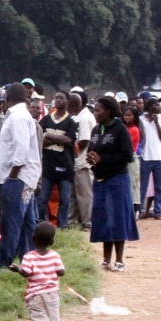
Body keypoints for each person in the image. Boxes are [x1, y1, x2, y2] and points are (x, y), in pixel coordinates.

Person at [0, 83, 42, 268]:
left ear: (8, 97)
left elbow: (21, 151)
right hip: (25, 176)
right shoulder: (21, 115)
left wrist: (12, 176)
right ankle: (28, 260)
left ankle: (3, 261)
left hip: (17, 177)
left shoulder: (18, 117)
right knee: (27, 222)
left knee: (11, 221)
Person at [87, 96, 139, 271]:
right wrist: (91, 158)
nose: (95, 113)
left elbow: (127, 156)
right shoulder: (96, 130)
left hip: (117, 180)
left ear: (108, 111)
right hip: (100, 180)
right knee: (103, 218)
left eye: (98, 110)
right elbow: (92, 150)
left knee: (117, 218)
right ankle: (105, 259)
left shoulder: (120, 130)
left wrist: (103, 159)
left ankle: (119, 260)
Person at [10, 221, 66, 321]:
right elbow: (61, 272)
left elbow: (26, 273)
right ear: (52, 242)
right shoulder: (54, 255)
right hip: (52, 294)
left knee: (40, 319)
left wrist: (18, 269)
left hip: (35, 295)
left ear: (33, 238)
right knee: (54, 318)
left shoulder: (29, 257)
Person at [39, 90, 78, 228]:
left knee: (65, 199)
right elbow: (39, 139)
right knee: (43, 199)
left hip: (65, 166)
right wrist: (58, 139)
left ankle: (62, 227)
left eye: (61, 98)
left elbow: (69, 140)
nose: (58, 100)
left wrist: (48, 137)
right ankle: (41, 225)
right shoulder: (46, 119)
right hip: (47, 166)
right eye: (56, 98)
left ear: (67, 101)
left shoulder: (71, 122)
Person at [138, 97, 161, 220]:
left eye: (159, 105)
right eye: (155, 105)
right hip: (145, 156)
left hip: (160, 156)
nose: (159, 107)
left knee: (160, 186)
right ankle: (139, 209)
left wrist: (156, 122)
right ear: (149, 107)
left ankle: (158, 211)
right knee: (143, 185)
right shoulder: (141, 120)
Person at [68, 91, 95, 230]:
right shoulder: (79, 116)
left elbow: (84, 140)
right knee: (75, 193)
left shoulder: (84, 118)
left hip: (82, 161)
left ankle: (88, 222)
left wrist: (73, 152)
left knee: (85, 194)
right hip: (77, 162)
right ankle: (71, 221)